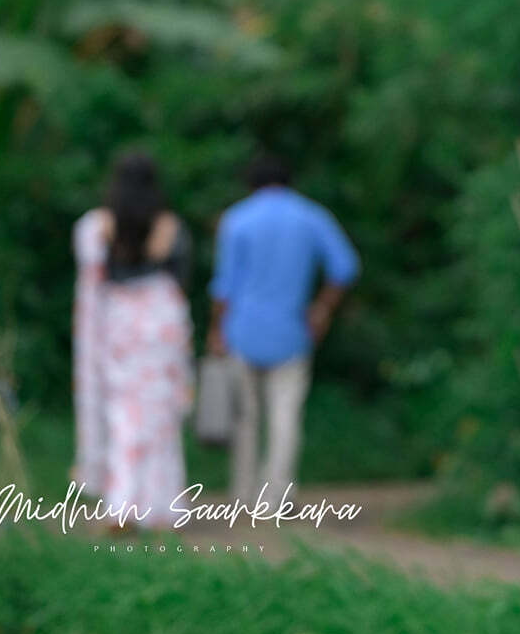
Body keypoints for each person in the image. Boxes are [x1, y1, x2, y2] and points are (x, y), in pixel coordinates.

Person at [208, 154, 359, 506]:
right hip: (292, 332)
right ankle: (275, 497)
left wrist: (216, 329)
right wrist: (322, 309)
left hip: (241, 331)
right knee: (285, 418)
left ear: (251, 183)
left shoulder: (236, 219)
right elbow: (346, 267)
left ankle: (242, 495)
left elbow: (223, 286)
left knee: (245, 419)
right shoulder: (310, 216)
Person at [72, 151, 194, 531]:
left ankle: (123, 503)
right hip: (161, 321)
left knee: (123, 414)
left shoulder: (100, 225)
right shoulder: (169, 226)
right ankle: (161, 506)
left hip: (120, 323)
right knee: (161, 415)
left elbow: (95, 280)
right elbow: (181, 278)